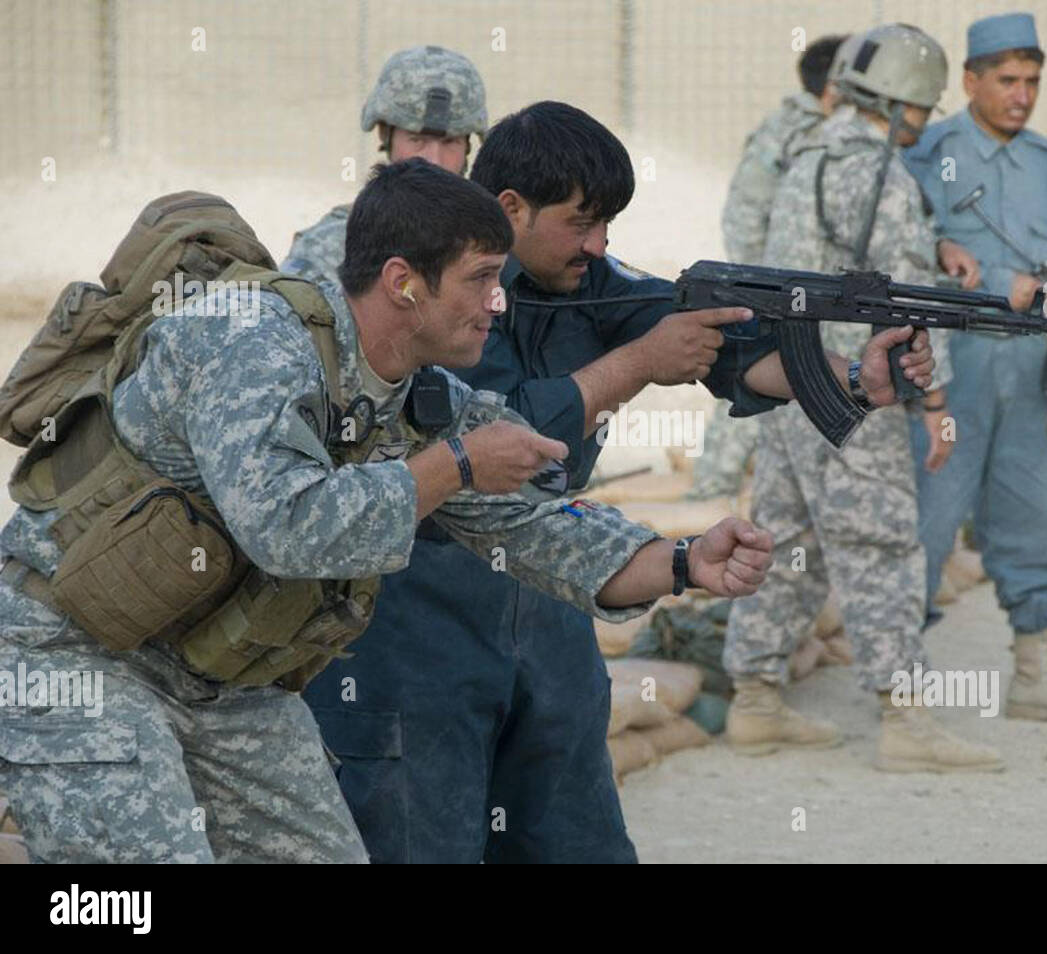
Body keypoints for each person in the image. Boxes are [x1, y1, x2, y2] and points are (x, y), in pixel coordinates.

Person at [0, 160, 777, 863]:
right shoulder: (256, 344)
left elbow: (532, 525)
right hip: (73, 655)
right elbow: (287, 527)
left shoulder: (422, 399)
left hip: (216, 677)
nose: (497, 301)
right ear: (404, 282)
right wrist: (455, 465)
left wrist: (682, 560)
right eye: (479, 279)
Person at [303, 102, 936, 861]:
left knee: (576, 830)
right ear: (512, 209)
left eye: (607, 224)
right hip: (417, 594)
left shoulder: (591, 280)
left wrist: (855, 378)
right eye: (581, 223)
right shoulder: (436, 288)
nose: (598, 243)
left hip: (550, 575)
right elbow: (498, 435)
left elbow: (733, 349)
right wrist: (637, 364)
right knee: (422, 832)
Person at [720, 24, 1000, 773]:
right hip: (851, 388)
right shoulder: (879, 172)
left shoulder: (805, 152)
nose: (923, 123)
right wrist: (934, 402)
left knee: (785, 541)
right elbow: (907, 303)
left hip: (786, 383)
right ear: (904, 102)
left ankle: (755, 699)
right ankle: (905, 720)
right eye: (923, 108)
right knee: (880, 544)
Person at [903, 11, 1047, 727]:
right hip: (950, 372)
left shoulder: (1045, 162)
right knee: (927, 526)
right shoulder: (930, 151)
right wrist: (997, 280)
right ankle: (902, 693)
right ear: (970, 81)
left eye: (1032, 82)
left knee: (1034, 522)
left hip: (1029, 372)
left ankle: (1035, 676)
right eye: (1007, 81)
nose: (1022, 96)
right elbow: (908, 248)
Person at [691, 33, 848, 501]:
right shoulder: (800, 133)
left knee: (776, 373)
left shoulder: (801, 127)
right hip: (775, 279)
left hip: (785, 276)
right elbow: (747, 210)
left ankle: (725, 483)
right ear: (833, 87)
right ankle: (713, 488)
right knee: (759, 367)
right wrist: (761, 282)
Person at [282, 45, 488, 286]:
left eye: (450, 142)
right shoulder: (330, 249)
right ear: (385, 135)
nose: (434, 160)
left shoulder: (493, 247)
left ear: (467, 147)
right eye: (417, 140)